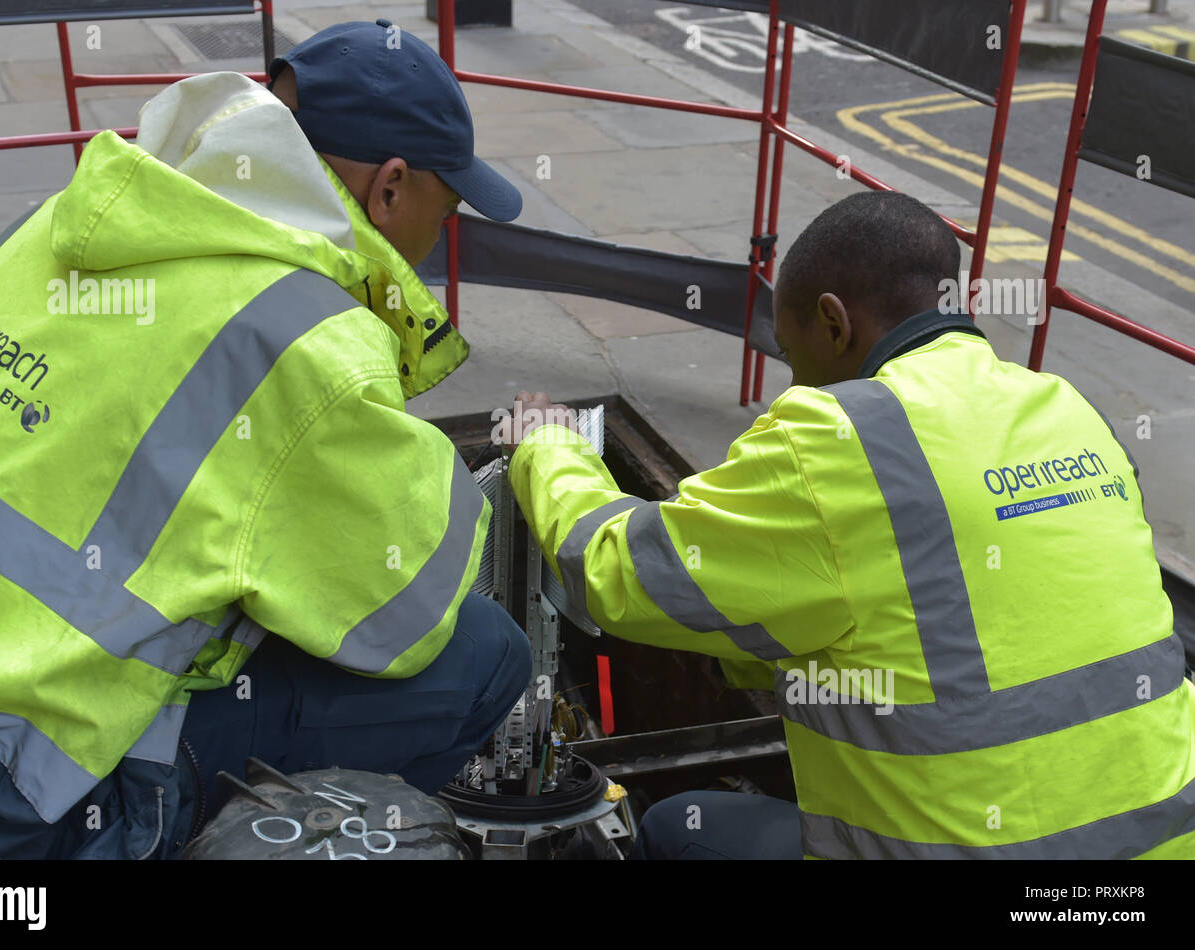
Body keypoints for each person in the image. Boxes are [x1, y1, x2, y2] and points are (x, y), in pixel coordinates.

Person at [0, 19, 531, 858]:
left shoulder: (67, 217)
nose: (437, 238)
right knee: (488, 656)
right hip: (17, 793)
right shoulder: (308, 336)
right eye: (443, 211)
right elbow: (402, 615)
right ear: (390, 188)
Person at [503, 190, 1195, 859]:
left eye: (790, 348)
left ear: (834, 322)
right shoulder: (1070, 410)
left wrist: (548, 444)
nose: (791, 378)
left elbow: (611, 570)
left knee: (681, 826)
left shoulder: (838, 437)